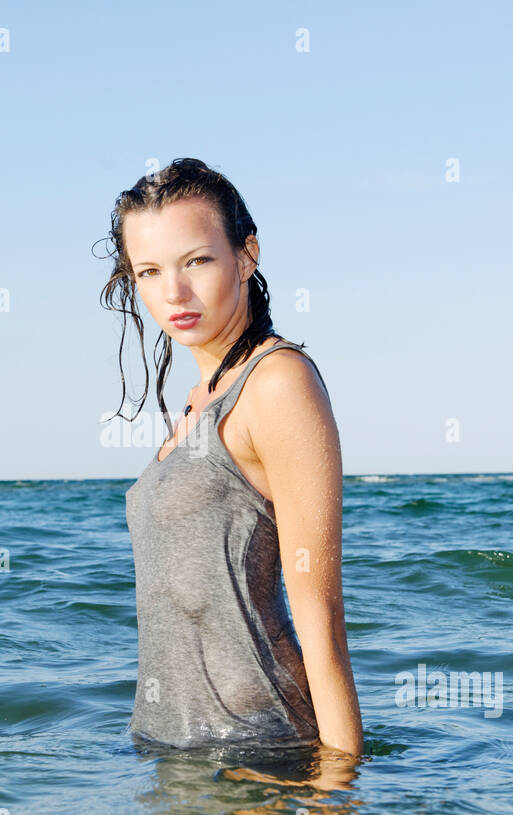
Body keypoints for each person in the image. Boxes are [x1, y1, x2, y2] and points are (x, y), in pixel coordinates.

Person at [100, 158, 363, 757]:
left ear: (247, 256)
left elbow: (320, 617)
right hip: (171, 753)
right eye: (149, 271)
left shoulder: (277, 385)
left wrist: (338, 798)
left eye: (197, 261)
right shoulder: (199, 400)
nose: (174, 292)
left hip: (258, 752)